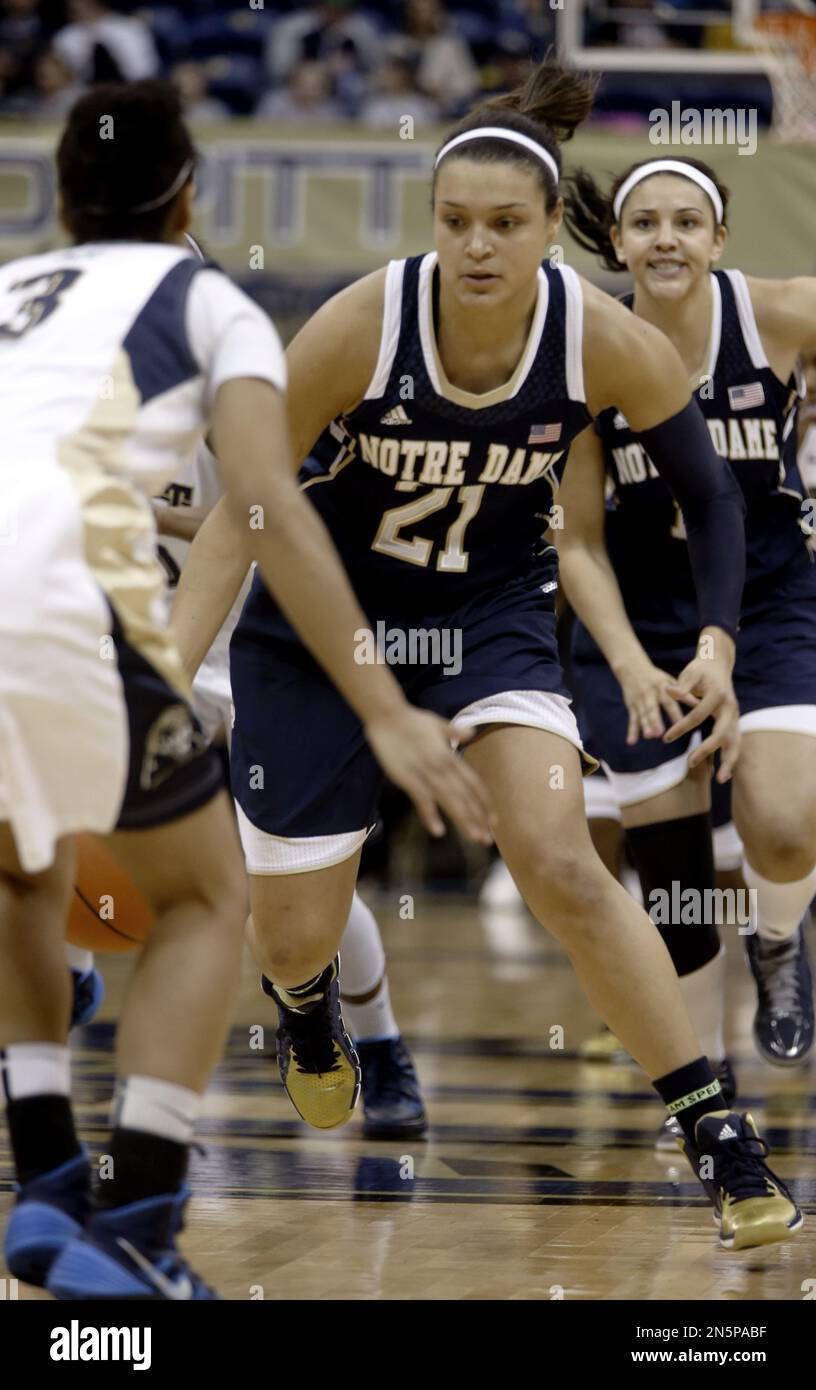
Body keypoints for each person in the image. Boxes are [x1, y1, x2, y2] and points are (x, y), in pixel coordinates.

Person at [172, 59, 802, 1249]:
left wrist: (717, 639)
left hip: (487, 621)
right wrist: (161, 681)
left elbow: (711, 496)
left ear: (550, 230)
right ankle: (308, 1008)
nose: (476, 248)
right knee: (294, 930)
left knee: (562, 857)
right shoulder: (358, 324)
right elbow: (244, 510)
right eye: (455, 223)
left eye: (504, 225)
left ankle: (718, 1133)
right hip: (322, 628)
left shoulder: (605, 341)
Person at [0, 80, 483, 1301]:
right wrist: (381, 702)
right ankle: (140, 1227)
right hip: (105, 617)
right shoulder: (213, 305)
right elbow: (268, 509)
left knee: (33, 874)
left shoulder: (12, 294)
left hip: (120, 632)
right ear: (189, 199)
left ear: (56, 200)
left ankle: (48, 1181)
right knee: (214, 904)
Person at [558, 157, 816, 1147]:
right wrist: (626, 660)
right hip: (644, 621)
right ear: (618, 244)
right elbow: (576, 537)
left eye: (687, 221)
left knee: (785, 828)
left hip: (774, 601)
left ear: (718, 239)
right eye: (646, 223)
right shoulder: (586, 354)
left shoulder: (780, 314)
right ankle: (714, 1123)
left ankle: (781, 938)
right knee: (672, 897)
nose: (666, 237)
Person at [154, 416, 427, 1141]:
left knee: (294, 876)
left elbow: (264, 510)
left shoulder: (207, 398)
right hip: (143, 651)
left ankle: (380, 1043)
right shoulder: (59, 417)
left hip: (243, 641)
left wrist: (148, 515)